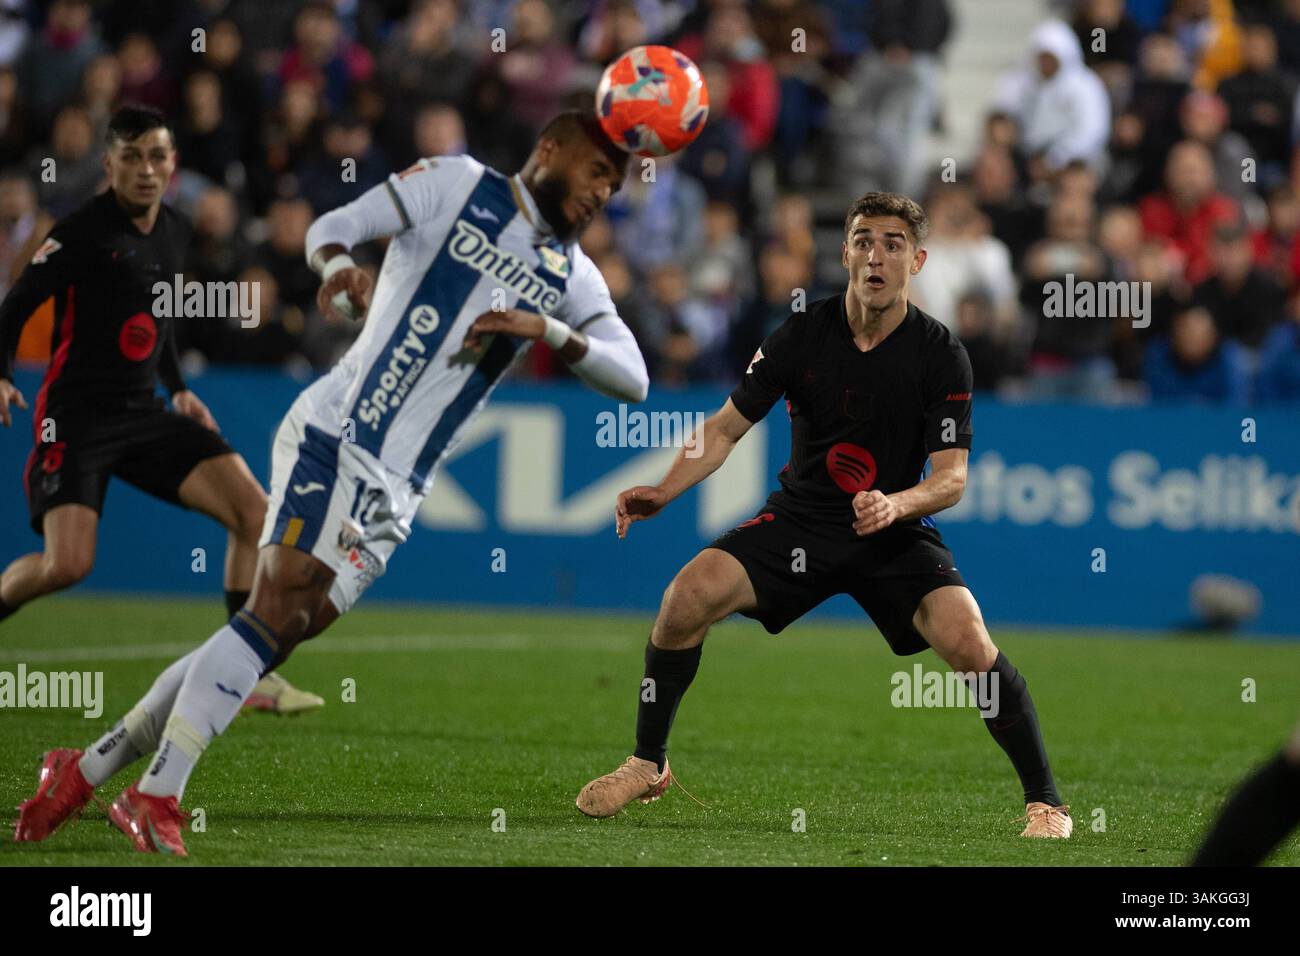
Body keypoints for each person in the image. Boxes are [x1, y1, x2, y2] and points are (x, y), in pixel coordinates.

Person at [13, 109, 649, 855]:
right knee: (277, 605)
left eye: (617, 181)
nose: (604, 191)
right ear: (551, 149)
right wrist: (335, 265)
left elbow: (632, 378)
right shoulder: (458, 185)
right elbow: (335, 224)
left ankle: (81, 770)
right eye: (598, 171)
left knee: (272, 631)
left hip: (397, 492)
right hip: (339, 433)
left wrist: (550, 331)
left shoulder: (570, 275)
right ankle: (156, 795)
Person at [577, 192, 1072, 839]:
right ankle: (648, 764)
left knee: (971, 645)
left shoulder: (940, 353)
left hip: (891, 530)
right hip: (802, 521)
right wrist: (666, 489)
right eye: (864, 239)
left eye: (893, 243)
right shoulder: (802, 334)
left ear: (916, 260)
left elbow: (951, 479)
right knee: (684, 598)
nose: (877, 254)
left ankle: (1046, 803)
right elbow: (725, 429)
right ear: (845, 253)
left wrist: (898, 502)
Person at [0, 106, 319, 716]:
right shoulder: (79, 233)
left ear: (173, 163)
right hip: (77, 416)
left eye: (158, 157)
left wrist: (175, 387)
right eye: (133, 158)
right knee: (66, 565)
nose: (147, 170)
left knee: (255, 513)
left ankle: (245, 673)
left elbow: (161, 316)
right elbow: (16, 304)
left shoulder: (174, 228)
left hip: (144, 410)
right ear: (109, 164)